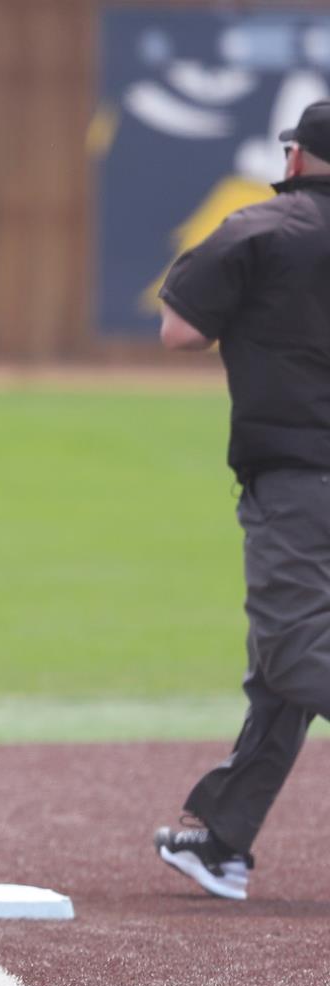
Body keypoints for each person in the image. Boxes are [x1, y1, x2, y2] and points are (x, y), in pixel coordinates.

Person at [152, 99, 330, 901]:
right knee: (280, 671)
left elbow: (181, 330)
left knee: (295, 650)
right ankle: (223, 838)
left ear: (295, 158)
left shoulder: (261, 228)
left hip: (300, 474)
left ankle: (224, 837)